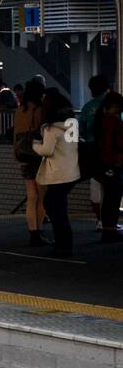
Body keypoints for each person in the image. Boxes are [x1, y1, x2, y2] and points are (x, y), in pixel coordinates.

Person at [33, 88, 79, 257]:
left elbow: (46, 150)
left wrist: (34, 145)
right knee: (58, 207)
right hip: (72, 171)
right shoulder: (72, 124)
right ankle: (64, 244)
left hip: (58, 174)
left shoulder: (50, 128)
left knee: (53, 207)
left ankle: (63, 246)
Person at [13, 78, 47, 246]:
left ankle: (32, 232)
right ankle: (38, 232)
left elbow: (16, 135)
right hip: (38, 156)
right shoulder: (40, 110)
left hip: (23, 155)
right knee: (41, 197)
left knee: (31, 196)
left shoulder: (20, 110)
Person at [78, 74, 109, 229]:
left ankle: (100, 221)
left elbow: (81, 129)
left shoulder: (88, 107)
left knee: (96, 188)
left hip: (92, 151)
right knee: (112, 188)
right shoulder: (112, 106)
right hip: (111, 152)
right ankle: (110, 222)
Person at [95, 91, 123, 242]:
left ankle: (108, 229)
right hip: (114, 162)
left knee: (108, 198)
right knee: (114, 197)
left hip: (105, 163)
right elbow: (116, 143)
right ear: (115, 106)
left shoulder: (102, 120)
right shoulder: (114, 121)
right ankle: (111, 230)